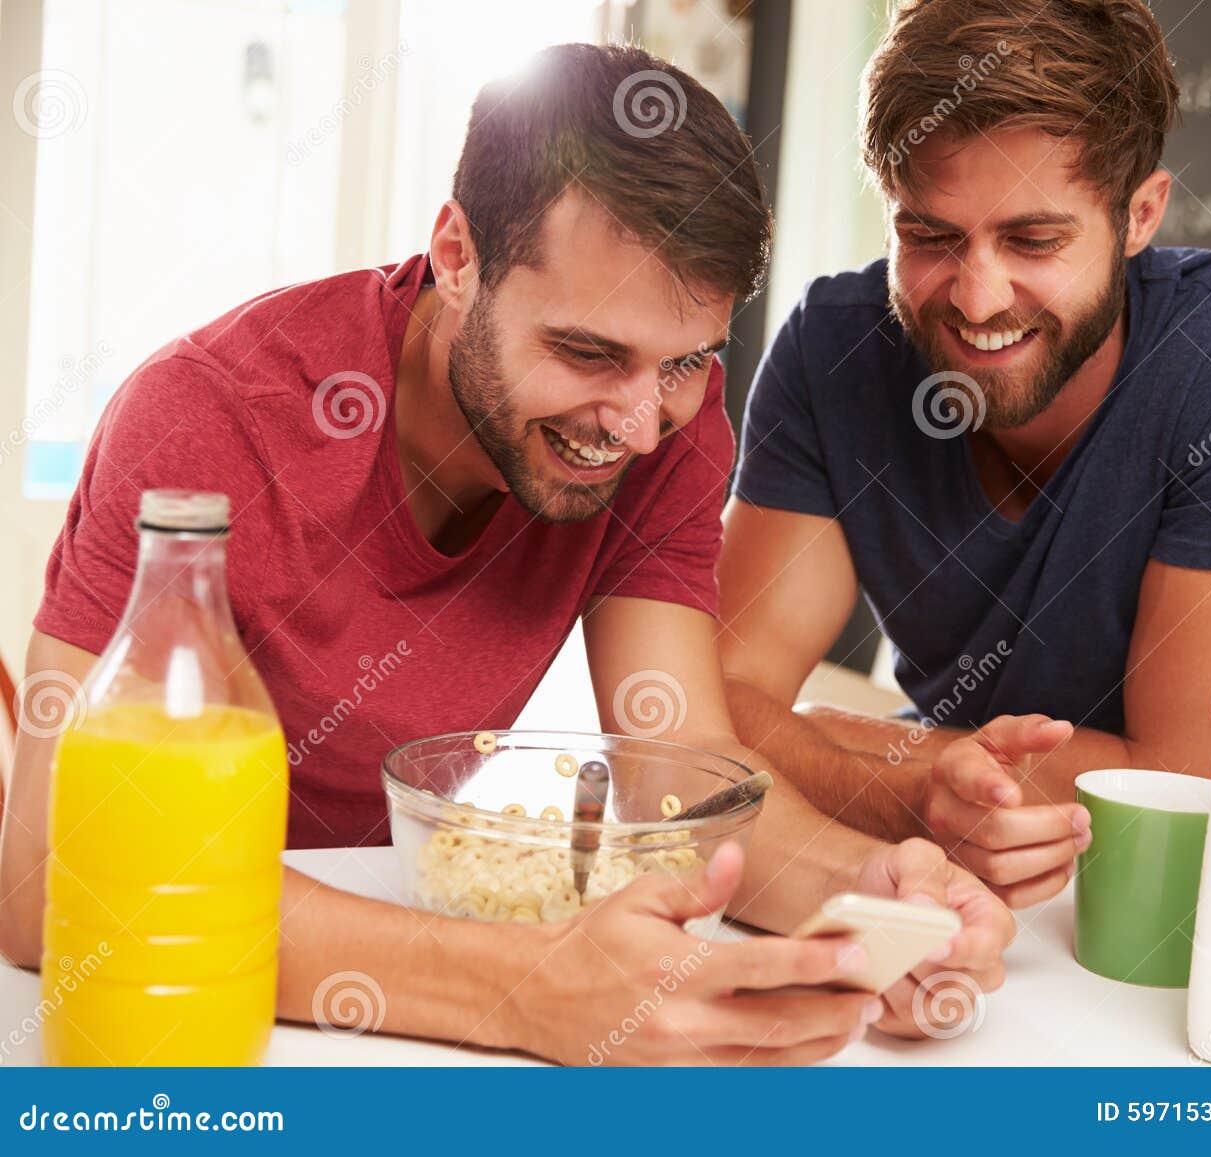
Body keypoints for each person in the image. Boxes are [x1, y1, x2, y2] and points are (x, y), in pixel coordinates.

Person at [0, 43, 1012, 1065]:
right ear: (456, 252)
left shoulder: (664, 426)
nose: (636, 423)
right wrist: (520, 989)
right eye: (586, 351)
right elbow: (46, 879)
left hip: (376, 987)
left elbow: (684, 778)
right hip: (189, 1019)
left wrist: (866, 883)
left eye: (689, 360)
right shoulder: (213, 419)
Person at [717, 0, 1211, 908]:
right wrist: (910, 786)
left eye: (1034, 240)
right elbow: (712, 704)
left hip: (1181, 908)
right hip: (934, 876)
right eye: (930, 237)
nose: (979, 298)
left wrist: (850, 740)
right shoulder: (832, 351)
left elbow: (1176, 788)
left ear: (1141, 214)